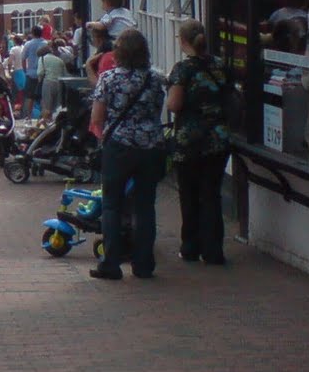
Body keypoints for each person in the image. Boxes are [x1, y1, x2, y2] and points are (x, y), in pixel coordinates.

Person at [88, 27, 168, 281]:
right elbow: (157, 111)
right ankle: (143, 264)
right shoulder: (156, 80)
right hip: (150, 146)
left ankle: (111, 264)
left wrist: (107, 138)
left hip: (119, 147)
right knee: (145, 206)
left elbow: (97, 118)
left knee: (112, 205)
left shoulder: (109, 79)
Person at [167, 19, 232, 267]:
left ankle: (191, 246)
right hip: (218, 137)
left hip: (190, 140)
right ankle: (214, 251)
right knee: (211, 195)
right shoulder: (218, 65)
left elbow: (174, 104)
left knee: (190, 194)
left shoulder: (183, 69)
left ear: (183, 41)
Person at [20, 26, 48, 119]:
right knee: (43, 96)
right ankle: (43, 116)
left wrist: (25, 70)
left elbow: (23, 58)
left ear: (32, 33)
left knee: (30, 97)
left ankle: (28, 116)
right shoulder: (45, 43)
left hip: (31, 73)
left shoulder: (28, 44)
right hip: (43, 73)